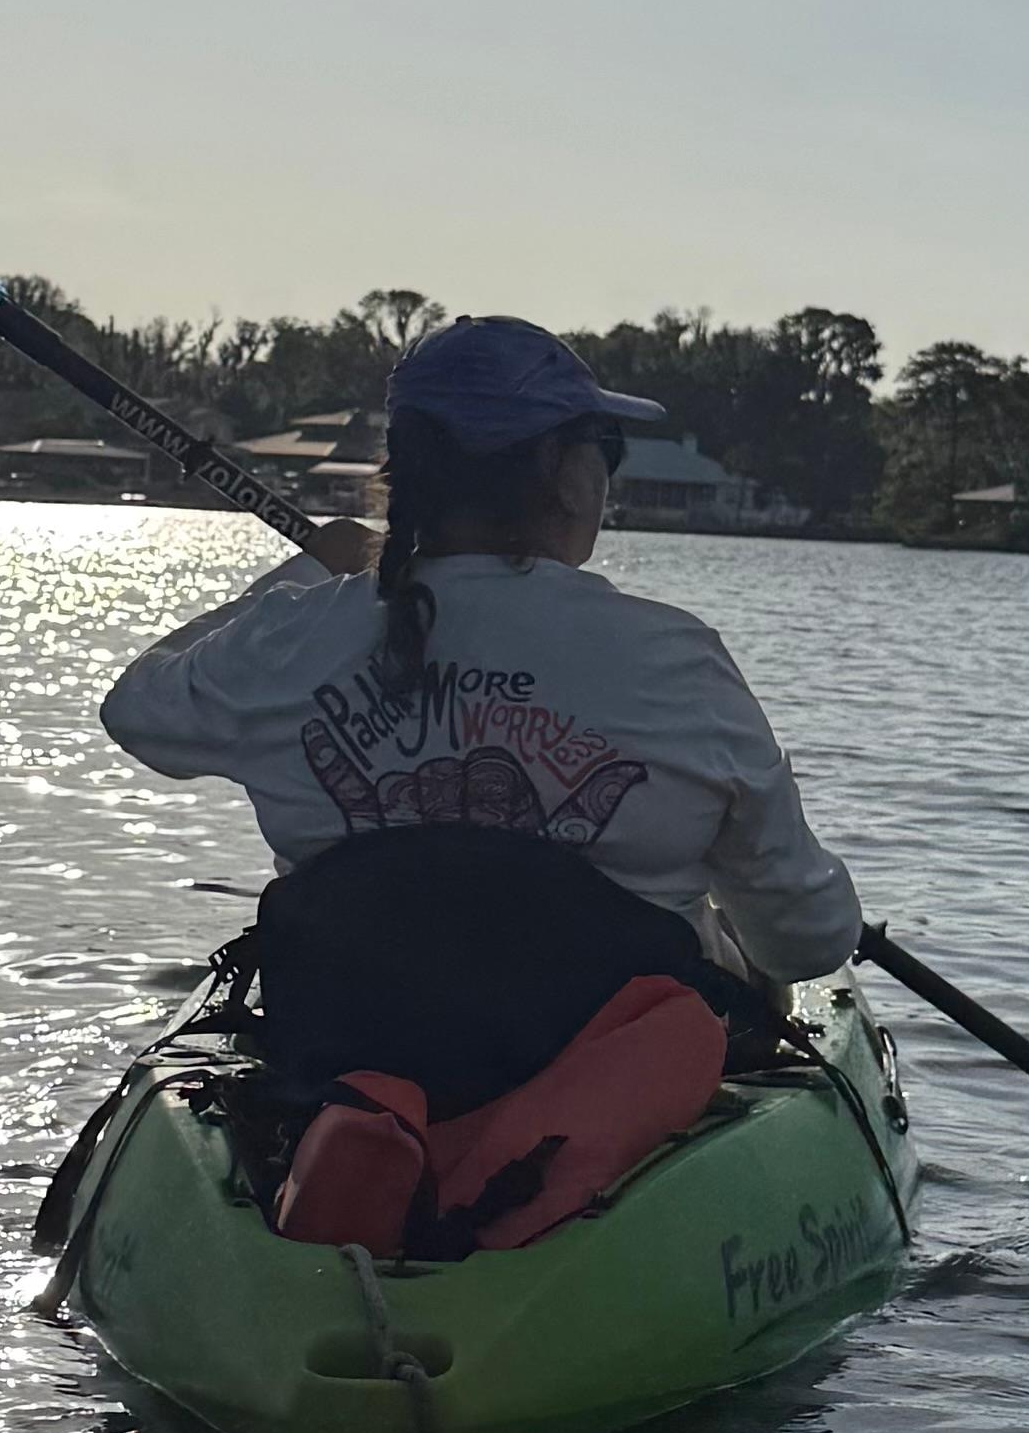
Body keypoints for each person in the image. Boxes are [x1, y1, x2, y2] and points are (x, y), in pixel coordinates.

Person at [100, 315, 861, 983]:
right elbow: (805, 942)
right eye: (607, 447)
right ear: (562, 474)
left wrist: (307, 573)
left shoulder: (289, 633)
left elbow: (138, 711)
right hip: (607, 1089)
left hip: (344, 1063)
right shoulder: (679, 661)